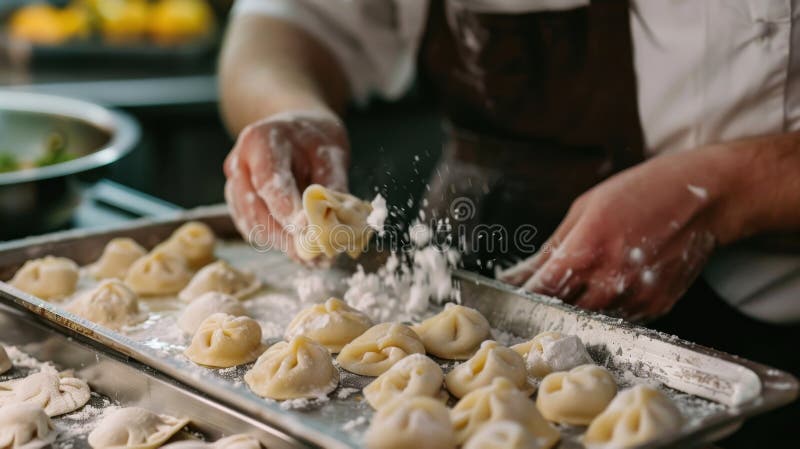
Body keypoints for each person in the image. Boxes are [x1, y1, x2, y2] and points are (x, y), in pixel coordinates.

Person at [220, 2, 799, 442]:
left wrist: (728, 192)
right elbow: (288, 21)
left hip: (769, 326)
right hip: (461, 280)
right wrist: (288, 108)